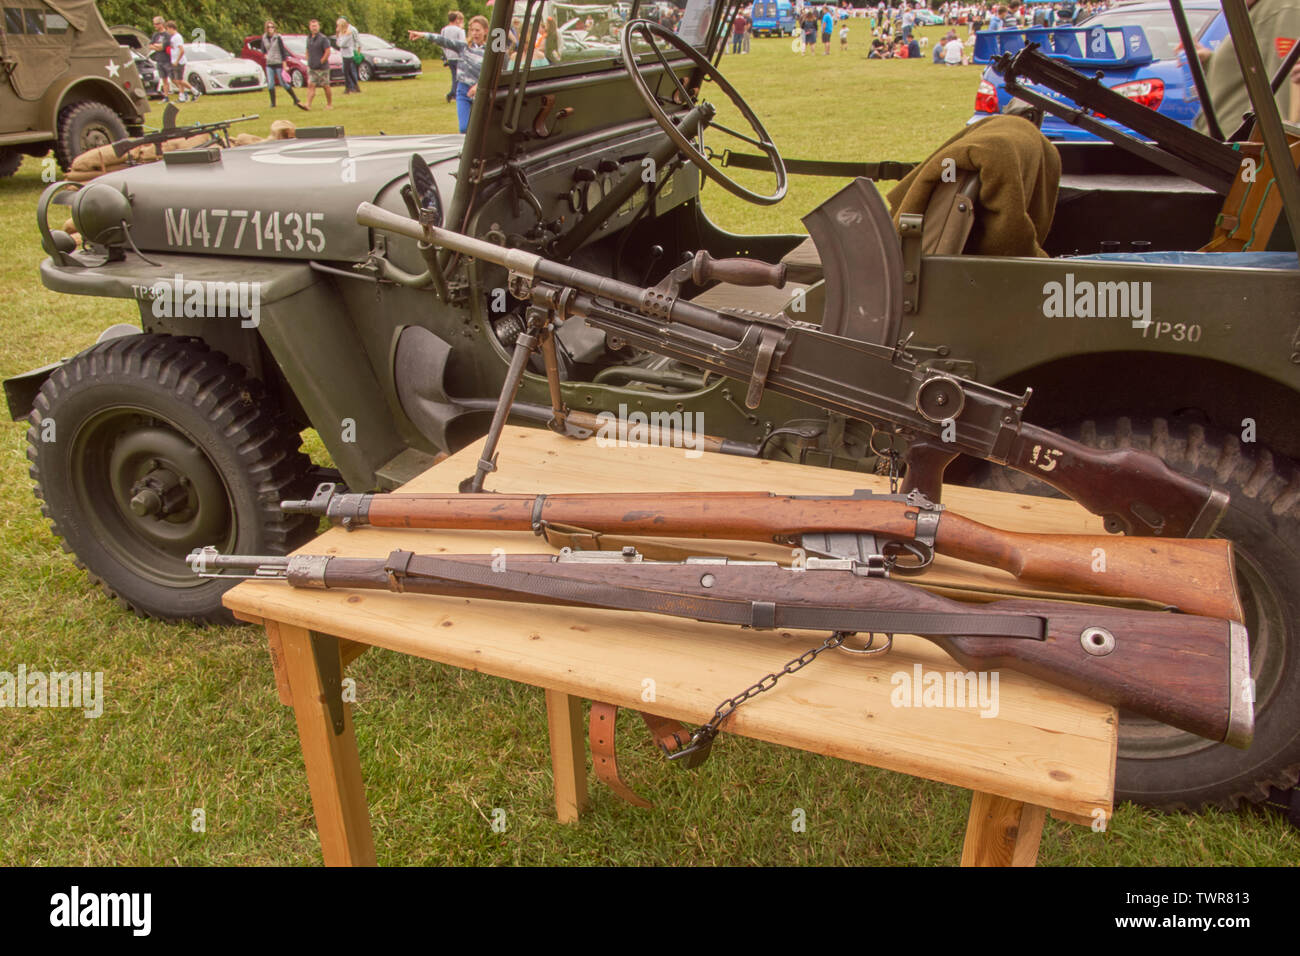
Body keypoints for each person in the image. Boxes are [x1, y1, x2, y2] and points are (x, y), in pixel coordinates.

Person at [1193, 0, 1300, 135]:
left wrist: (1282, 151)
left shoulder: (1284, 7)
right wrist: (1210, 61)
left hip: (1245, 149)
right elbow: (1251, 73)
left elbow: (1288, 86)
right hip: (1228, 143)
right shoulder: (1253, 11)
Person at [411, 14, 488, 134]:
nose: (474, 33)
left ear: (485, 31)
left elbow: (495, 73)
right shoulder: (463, 47)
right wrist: (423, 35)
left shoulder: (490, 51)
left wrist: (478, 85)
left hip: (481, 91)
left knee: (481, 129)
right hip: (463, 90)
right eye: (472, 30)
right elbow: (444, 41)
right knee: (464, 128)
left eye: (477, 30)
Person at [261, 20, 305, 110]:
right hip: (269, 64)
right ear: (266, 28)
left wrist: (284, 65)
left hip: (278, 63)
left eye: (272, 27)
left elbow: (283, 52)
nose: (270, 29)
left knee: (283, 83)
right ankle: (273, 103)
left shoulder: (278, 38)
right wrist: (265, 55)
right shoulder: (264, 38)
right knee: (271, 84)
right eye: (268, 27)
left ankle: (295, 99)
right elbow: (263, 50)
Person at [304, 18, 333, 110]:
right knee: (311, 85)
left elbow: (328, 52)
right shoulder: (308, 38)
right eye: (312, 26)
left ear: (319, 26)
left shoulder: (323, 39)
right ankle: (308, 105)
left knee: (325, 86)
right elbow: (307, 50)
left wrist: (321, 61)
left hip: (322, 68)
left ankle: (329, 104)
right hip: (312, 67)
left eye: (316, 26)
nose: (314, 28)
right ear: (309, 27)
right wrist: (308, 61)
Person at [166, 20, 199, 102]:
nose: (167, 31)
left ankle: (195, 91)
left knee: (179, 80)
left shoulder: (177, 37)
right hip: (173, 61)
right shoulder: (172, 37)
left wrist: (177, 60)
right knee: (176, 79)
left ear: (171, 28)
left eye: (167, 29)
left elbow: (181, 50)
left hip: (179, 61)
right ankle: (182, 96)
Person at [437, 12, 465, 104]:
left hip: (449, 56)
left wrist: (446, 53)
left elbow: (441, 43)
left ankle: (453, 93)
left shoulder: (444, 30)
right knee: (459, 77)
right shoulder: (459, 30)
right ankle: (453, 93)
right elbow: (463, 43)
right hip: (458, 56)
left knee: (454, 75)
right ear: (456, 19)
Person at [148, 16, 173, 99]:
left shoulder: (167, 35)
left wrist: (157, 46)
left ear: (161, 24)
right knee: (164, 79)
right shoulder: (155, 35)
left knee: (174, 79)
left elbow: (163, 47)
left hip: (167, 60)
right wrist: (157, 46)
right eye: (154, 24)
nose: (155, 26)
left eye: (156, 24)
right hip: (159, 60)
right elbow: (150, 46)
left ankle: (183, 93)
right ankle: (166, 96)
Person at [337, 17, 361, 94]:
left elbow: (341, 44)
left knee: (346, 72)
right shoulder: (342, 33)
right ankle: (356, 86)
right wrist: (338, 37)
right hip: (344, 54)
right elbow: (338, 43)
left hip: (348, 55)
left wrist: (339, 41)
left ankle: (348, 88)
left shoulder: (349, 33)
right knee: (349, 71)